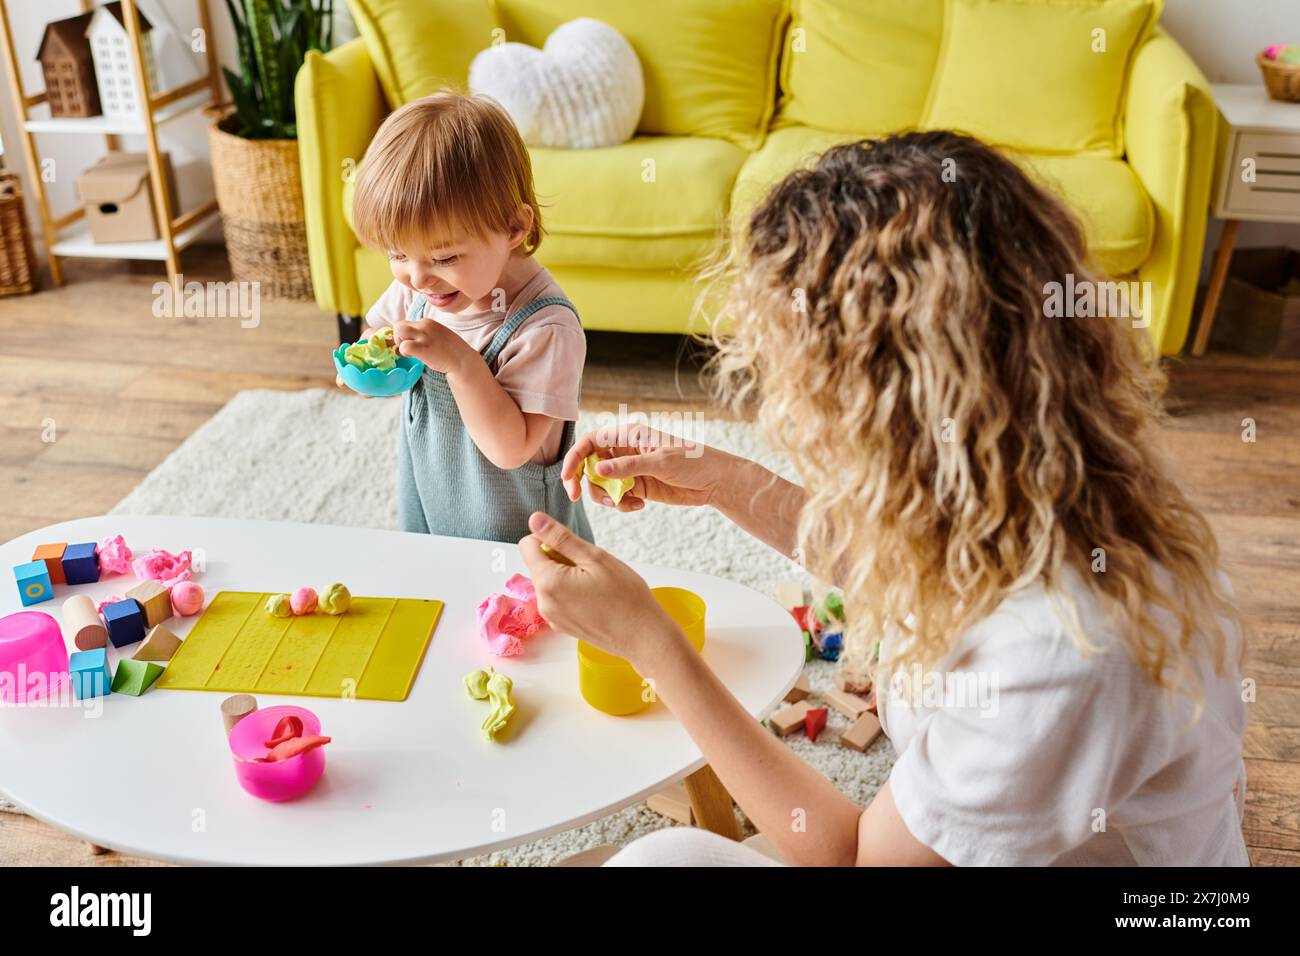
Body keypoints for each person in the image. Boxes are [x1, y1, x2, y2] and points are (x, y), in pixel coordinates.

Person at [517, 131, 1249, 866]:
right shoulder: (1042, 469)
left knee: (654, 860)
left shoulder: (1059, 649)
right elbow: (905, 562)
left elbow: (854, 861)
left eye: (798, 382)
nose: (782, 413)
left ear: (889, 407)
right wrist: (725, 480)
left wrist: (653, 646)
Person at [348, 92, 592, 543]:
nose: (418, 277)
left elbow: (510, 448)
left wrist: (461, 363)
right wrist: (365, 364)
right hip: (432, 507)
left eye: (444, 258)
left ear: (514, 228)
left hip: (520, 543)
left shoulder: (545, 329)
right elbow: (377, 333)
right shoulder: (419, 288)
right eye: (397, 253)